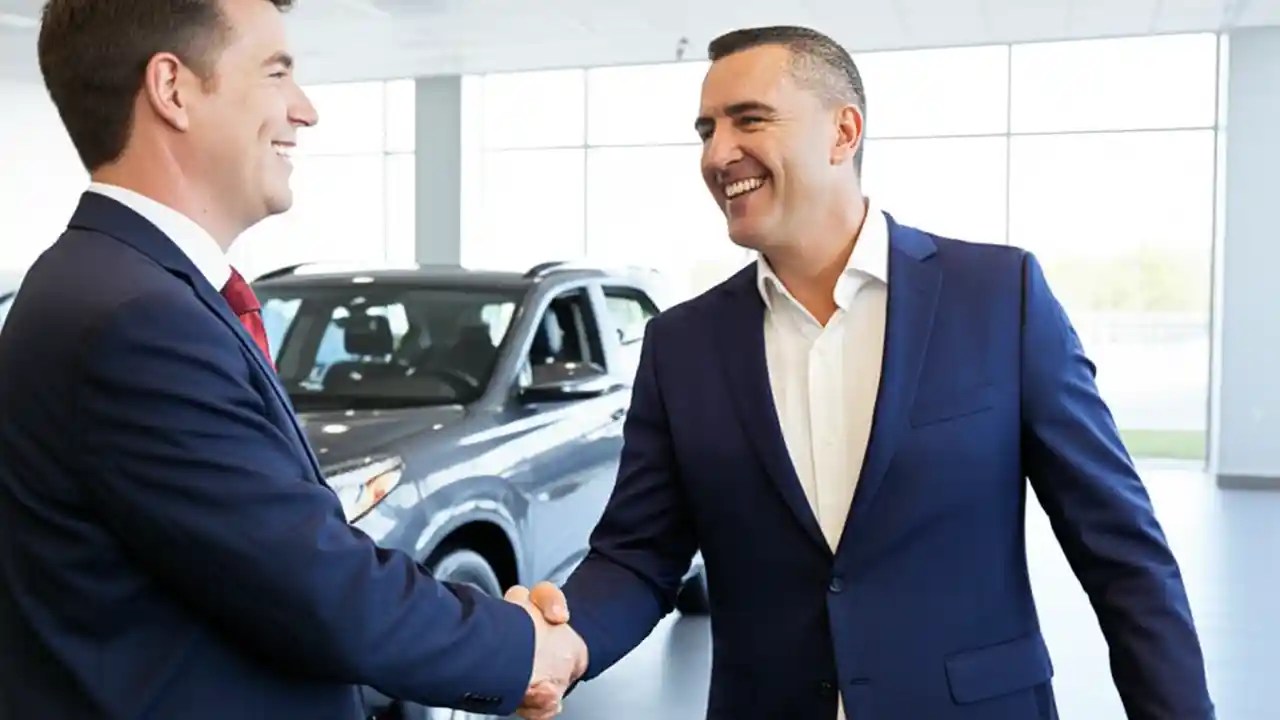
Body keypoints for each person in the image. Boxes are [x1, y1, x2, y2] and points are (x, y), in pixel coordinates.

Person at [515, 24, 1215, 720]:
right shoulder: (682, 344)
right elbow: (639, 556)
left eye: (749, 120)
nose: (718, 153)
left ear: (843, 132)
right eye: (705, 130)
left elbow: (1122, 555)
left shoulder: (1001, 299)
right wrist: (568, 643)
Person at [0, 1, 582, 719]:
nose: (304, 111)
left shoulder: (111, 283)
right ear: (172, 90)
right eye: (277, 73)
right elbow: (321, 593)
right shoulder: (137, 318)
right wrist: (525, 647)